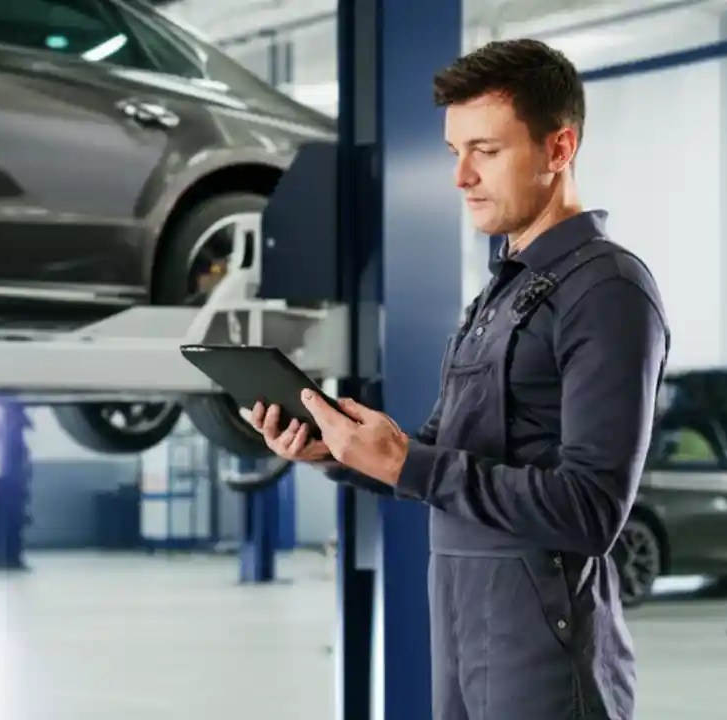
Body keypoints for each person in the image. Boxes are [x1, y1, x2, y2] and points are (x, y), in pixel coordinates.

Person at [246, 38, 669, 720]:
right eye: (454, 152)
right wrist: (338, 452)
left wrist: (409, 462)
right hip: (464, 626)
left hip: (544, 651)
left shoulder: (608, 291)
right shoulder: (500, 295)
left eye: (487, 151)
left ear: (558, 151)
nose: (461, 176)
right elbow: (441, 455)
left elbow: (591, 510)